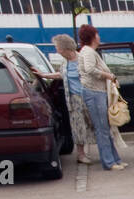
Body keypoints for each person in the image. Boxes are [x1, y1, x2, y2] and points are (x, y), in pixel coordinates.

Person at [76, 25, 126, 171]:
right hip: (94, 92)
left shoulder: (88, 51)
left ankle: (114, 159)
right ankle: (109, 162)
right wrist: (109, 76)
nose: (99, 36)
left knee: (105, 128)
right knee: (102, 128)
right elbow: (90, 69)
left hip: (97, 92)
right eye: (96, 34)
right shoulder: (88, 52)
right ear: (92, 36)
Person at [50, 35, 95, 166]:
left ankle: (107, 150)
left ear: (64, 48)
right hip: (74, 99)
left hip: (89, 96)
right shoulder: (65, 62)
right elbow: (62, 75)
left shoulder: (82, 59)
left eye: (57, 47)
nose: (56, 50)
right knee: (78, 126)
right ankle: (81, 154)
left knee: (96, 123)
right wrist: (44, 75)